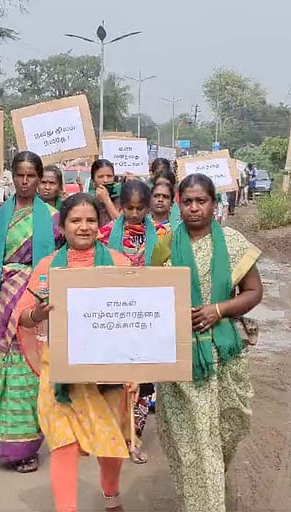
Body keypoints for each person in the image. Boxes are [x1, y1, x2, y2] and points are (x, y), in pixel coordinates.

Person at [14, 193, 136, 512]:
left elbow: (137, 321)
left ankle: (110, 495)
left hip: (106, 371)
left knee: (109, 442)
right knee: (63, 442)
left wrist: (136, 371)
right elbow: (23, 316)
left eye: (91, 220)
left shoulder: (120, 264)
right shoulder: (46, 268)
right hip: (60, 372)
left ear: (100, 224)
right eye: (76, 221)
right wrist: (39, 314)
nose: (84, 227)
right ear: (63, 226)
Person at [151, 173, 263, 512]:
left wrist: (218, 309)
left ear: (214, 204)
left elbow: (254, 292)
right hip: (183, 359)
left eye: (201, 201)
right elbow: (148, 296)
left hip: (225, 353)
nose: (194, 208)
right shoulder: (165, 244)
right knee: (199, 445)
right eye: (187, 202)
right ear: (177, 205)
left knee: (228, 430)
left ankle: (209, 481)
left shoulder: (231, 242)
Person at [0, 151, 60, 473]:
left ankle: (28, 446)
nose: (25, 181)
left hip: (34, 298)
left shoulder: (52, 217)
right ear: (12, 177)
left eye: (31, 176)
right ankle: (5, 440)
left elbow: (57, 263)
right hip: (3, 297)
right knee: (7, 369)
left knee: (28, 372)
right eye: (19, 175)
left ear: (40, 178)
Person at [97, 180, 159, 464]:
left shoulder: (161, 235)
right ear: (119, 206)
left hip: (146, 317)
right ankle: (112, 435)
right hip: (113, 314)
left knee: (143, 380)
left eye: (140, 208)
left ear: (148, 207)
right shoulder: (106, 233)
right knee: (114, 378)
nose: (134, 214)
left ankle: (134, 438)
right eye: (129, 208)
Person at [88, 159, 121, 227]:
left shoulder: (122, 200)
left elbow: (122, 226)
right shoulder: (87, 201)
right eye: (100, 177)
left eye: (109, 176)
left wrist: (107, 200)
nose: (105, 180)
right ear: (93, 181)